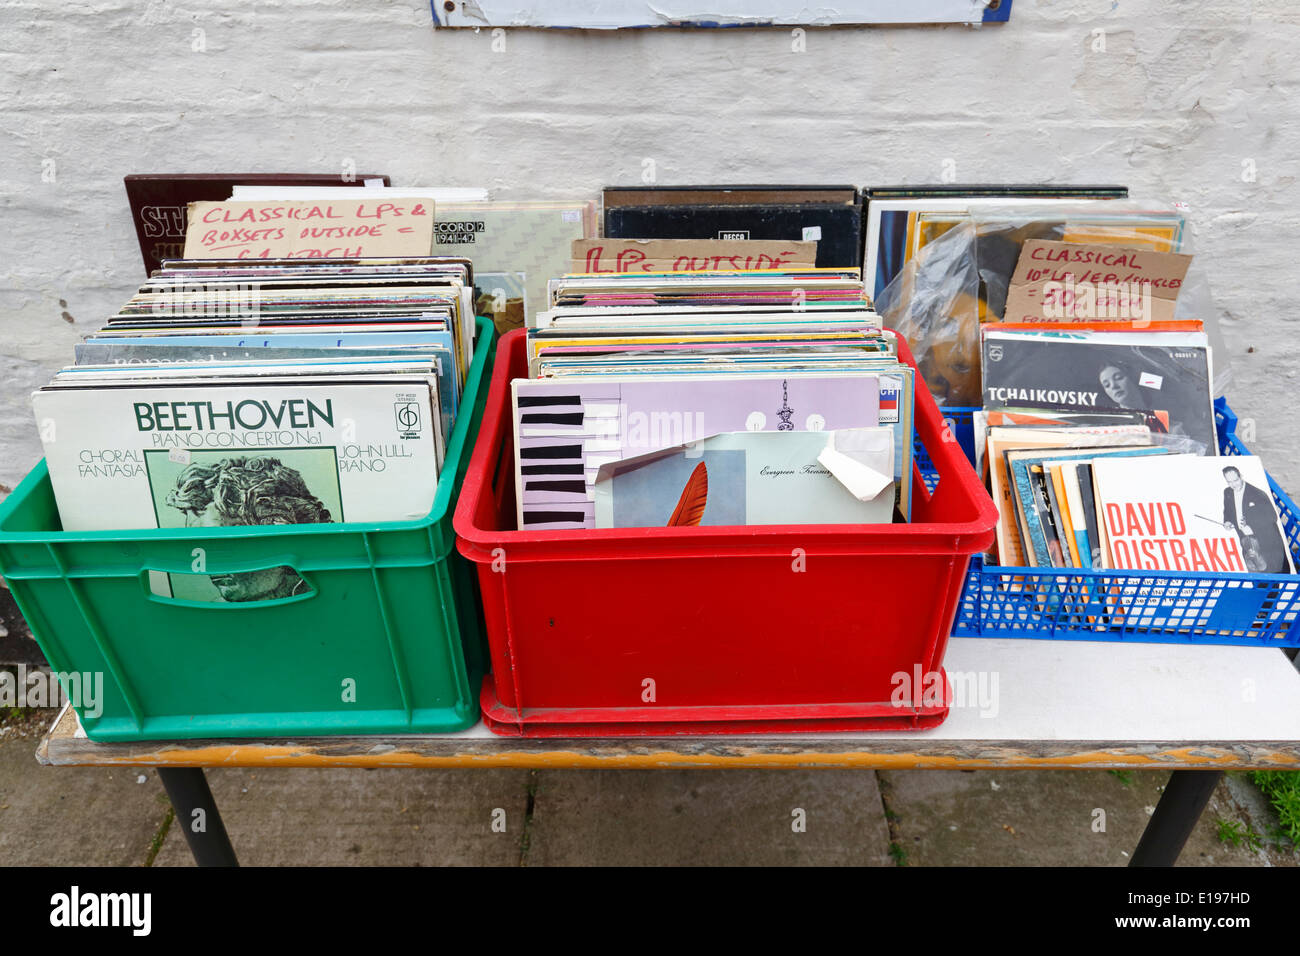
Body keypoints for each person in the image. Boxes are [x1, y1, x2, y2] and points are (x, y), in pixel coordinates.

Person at [165, 456, 333, 601]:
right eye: (202, 545)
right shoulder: (211, 617)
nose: (209, 561)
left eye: (226, 542)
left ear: (281, 529)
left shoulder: (334, 601)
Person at [1221, 465, 1290, 574]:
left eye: (1235, 480)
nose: (1233, 485)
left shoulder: (1258, 494)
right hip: (1246, 542)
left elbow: (1271, 516)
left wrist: (1252, 527)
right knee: (1254, 570)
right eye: (1229, 482)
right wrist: (1227, 521)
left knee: (1271, 571)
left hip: (1266, 540)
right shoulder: (1227, 492)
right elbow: (1228, 511)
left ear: (1241, 477)